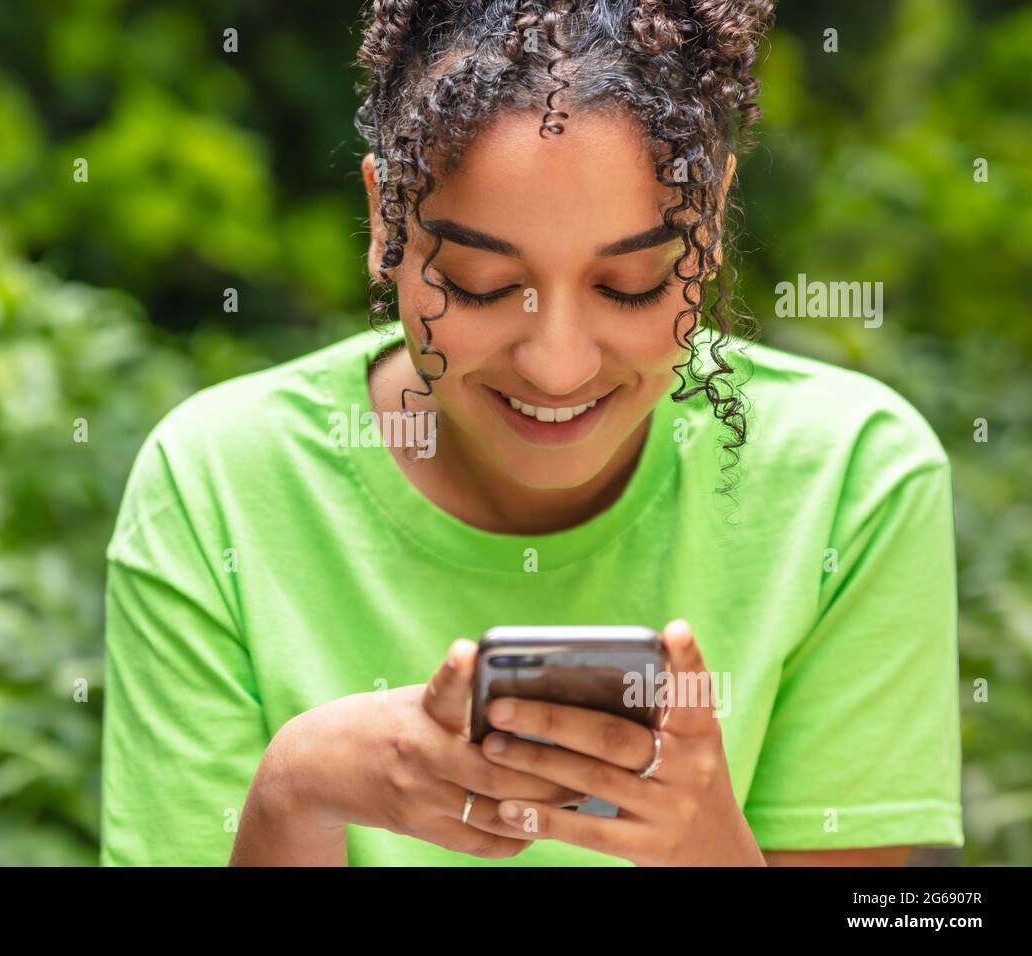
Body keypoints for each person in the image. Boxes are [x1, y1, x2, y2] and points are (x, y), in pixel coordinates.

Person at [101, 0, 963, 866]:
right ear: (385, 224)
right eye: (479, 283)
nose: (557, 366)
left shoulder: (851, 480)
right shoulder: (215, 486)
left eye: (631, 284)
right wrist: (298, 789)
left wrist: (708, 847)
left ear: (710, 222)